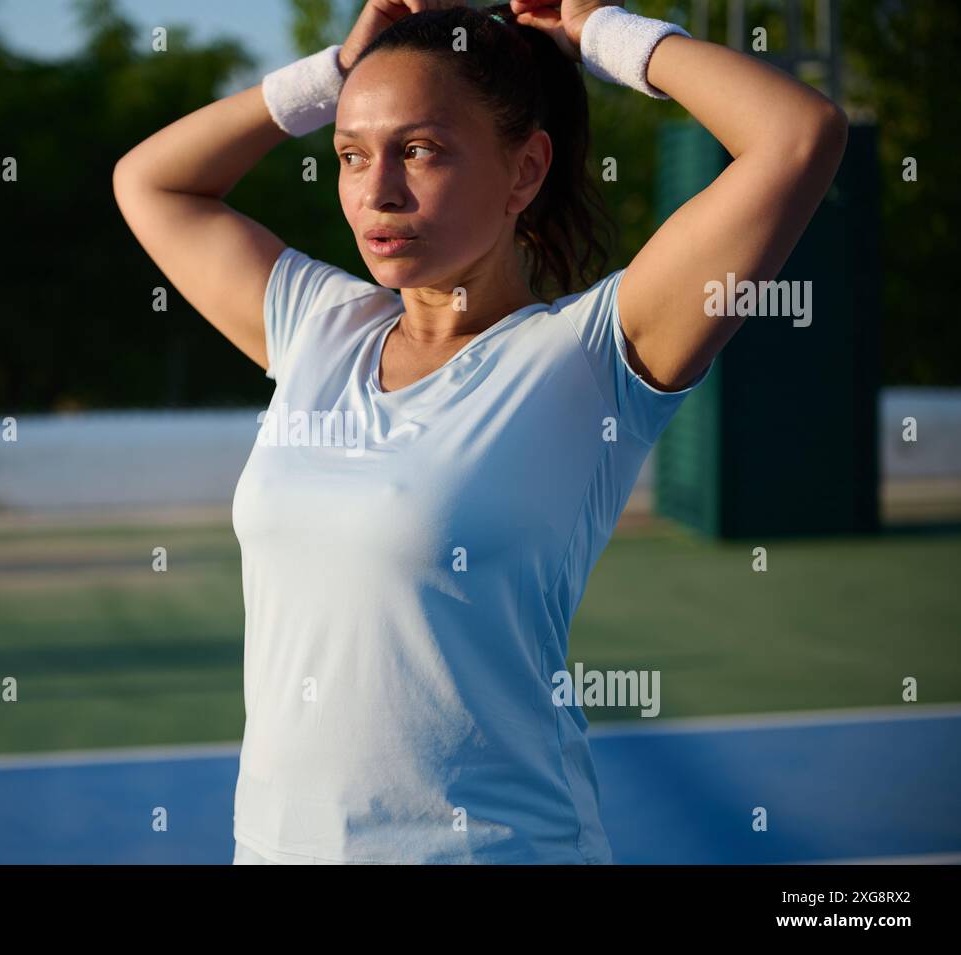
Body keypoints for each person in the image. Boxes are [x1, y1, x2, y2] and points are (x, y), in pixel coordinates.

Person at [112, 0, 847, 864]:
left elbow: (798, 135)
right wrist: (335, 72)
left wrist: (600, 30)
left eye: (419, 150)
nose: (377, 190)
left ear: (524, 171)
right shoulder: (318, 326)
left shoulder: (587, 357)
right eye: (351, 154)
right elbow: (148, 181)